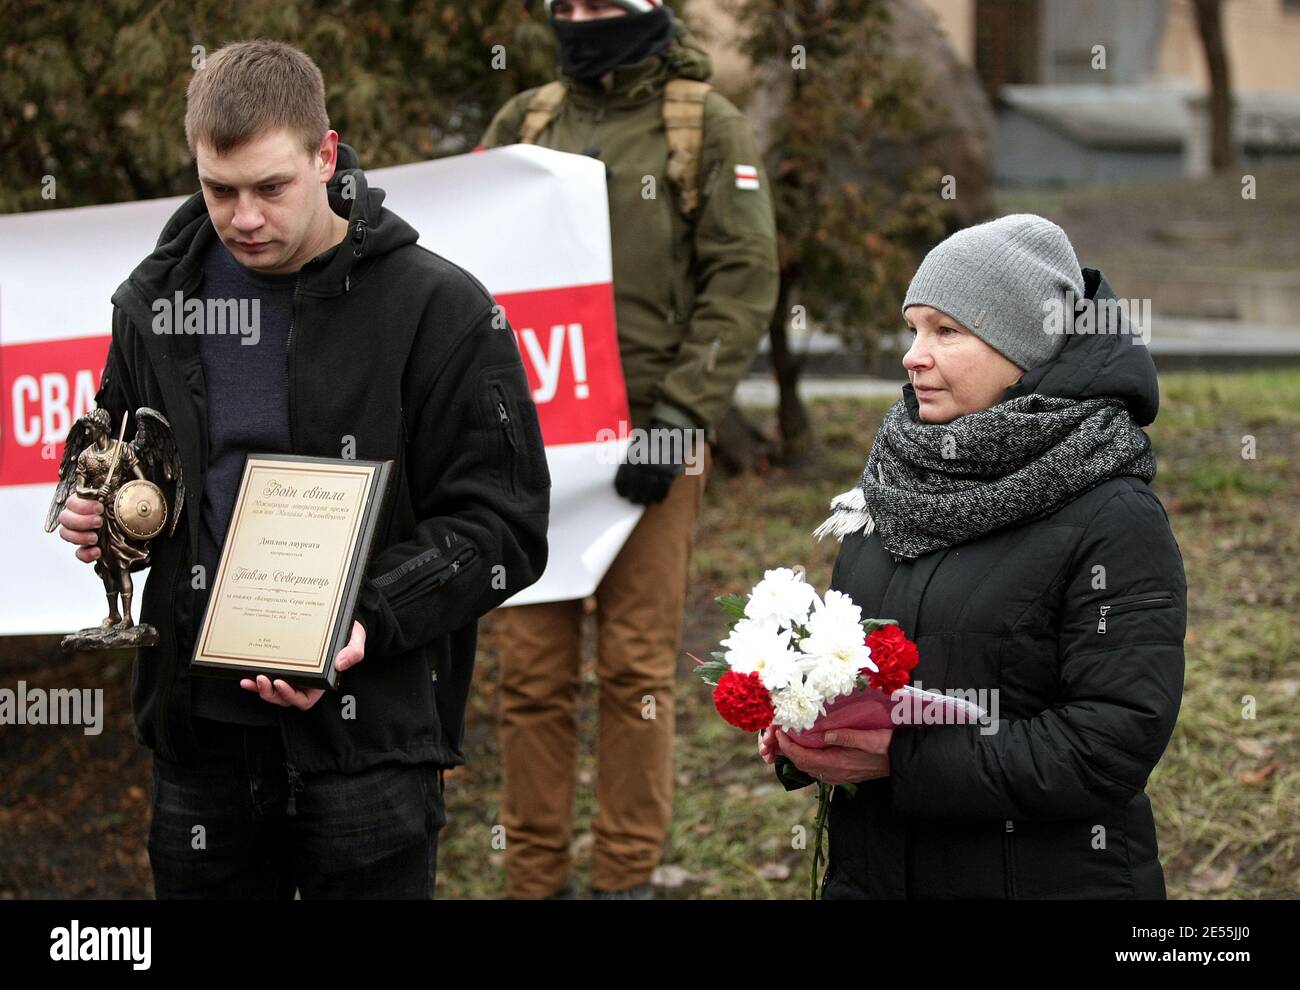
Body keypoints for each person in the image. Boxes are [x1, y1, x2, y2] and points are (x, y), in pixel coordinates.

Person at [54, 40, 550, 898]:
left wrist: (365, 617)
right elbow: (121, 456)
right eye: (219, 190)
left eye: (271, 188)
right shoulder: (155, 303)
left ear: (328, 155)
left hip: (367, 745)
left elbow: (504, 525)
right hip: (198, 740)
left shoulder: (439, 308)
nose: (244, 217)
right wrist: (97, 514)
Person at [760, 214, 1187, 899]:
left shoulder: (1112, 515)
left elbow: (1109, 744)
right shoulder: (896, 477)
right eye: (913, 329)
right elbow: (867, 682)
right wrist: (809, 732)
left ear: (1026, 347)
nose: (913, 355)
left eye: (946, 331)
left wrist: (901, 760)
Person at [479, 0, 779, 898]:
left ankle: (624, 880)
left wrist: (681, 416)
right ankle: (533, 881)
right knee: (529, 675)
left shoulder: (701, 124)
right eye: (565, 6)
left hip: (652, 442)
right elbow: (466, 260)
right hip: (533, 447)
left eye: (602, 4)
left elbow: (744, 277)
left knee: (637, 671)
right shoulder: (526, 122)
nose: (581, 19)